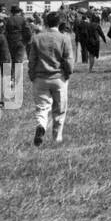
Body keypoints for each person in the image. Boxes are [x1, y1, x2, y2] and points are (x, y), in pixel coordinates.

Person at [27, 11, 73, 146]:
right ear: (59, 23)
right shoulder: (64, 38)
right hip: (59, 77)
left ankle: (41, 125)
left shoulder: (37, 38)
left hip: (40, 77)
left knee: (42, 107)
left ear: (46, 22)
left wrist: (31, 74)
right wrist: (68, 73)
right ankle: (57, 137)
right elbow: (68, 59)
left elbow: (32, 59)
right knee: (59, 108)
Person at [3, 6, 33, 86]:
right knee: (18, 61)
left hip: (10, 41)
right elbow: (28, 30)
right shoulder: (23, 19)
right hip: (20, 41)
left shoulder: (8, 19)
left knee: (13, 60)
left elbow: (4, 31)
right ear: (19, 12)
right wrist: (27, 40)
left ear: (12, 12)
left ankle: (11, 78)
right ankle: (15, 80)